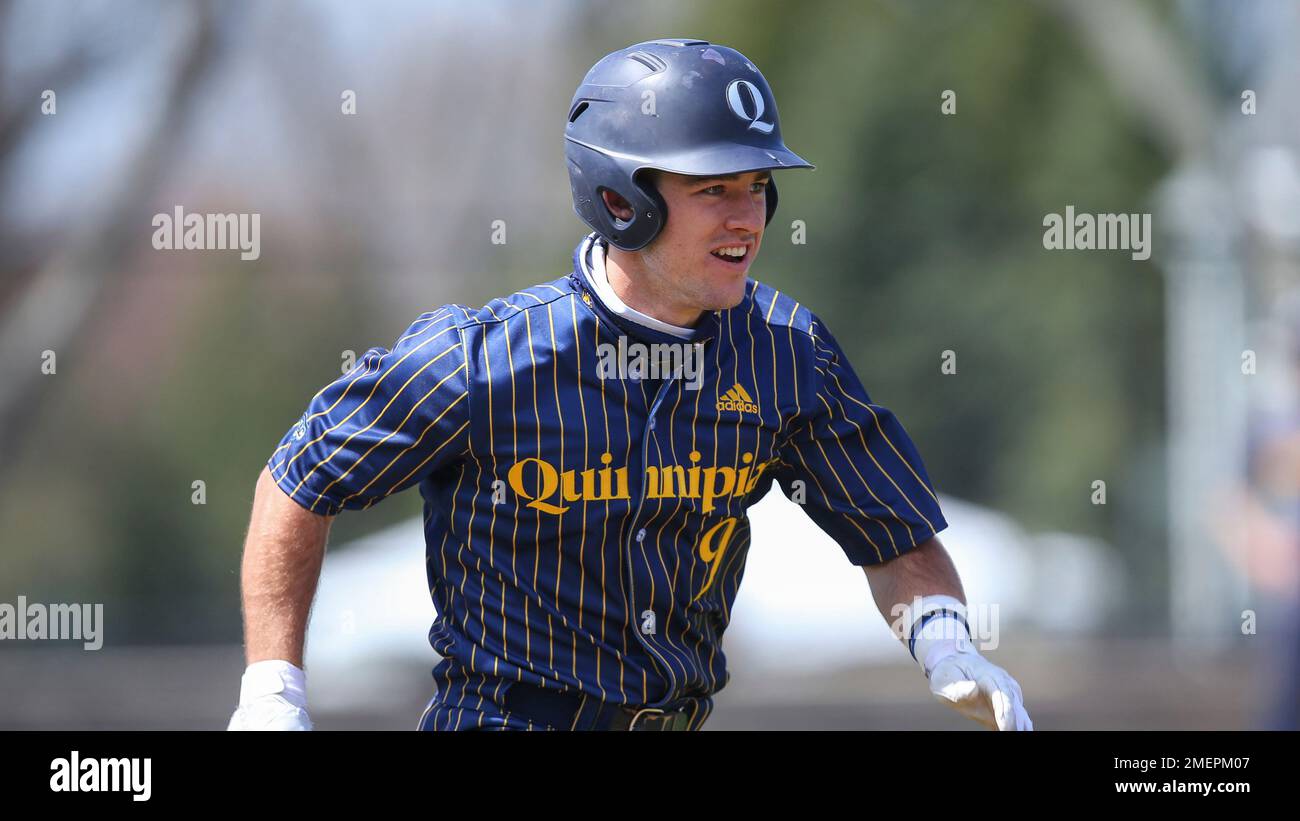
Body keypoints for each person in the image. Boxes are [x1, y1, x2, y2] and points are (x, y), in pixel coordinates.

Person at [227, 38, 1032, 731]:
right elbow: (299, 480)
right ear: (621, 200)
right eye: (713, 189)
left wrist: (946, 643)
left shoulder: (789, 353)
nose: (747, 216)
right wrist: (272, 688)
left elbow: (894, 535)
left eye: (757, 186)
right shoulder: (481, 359)